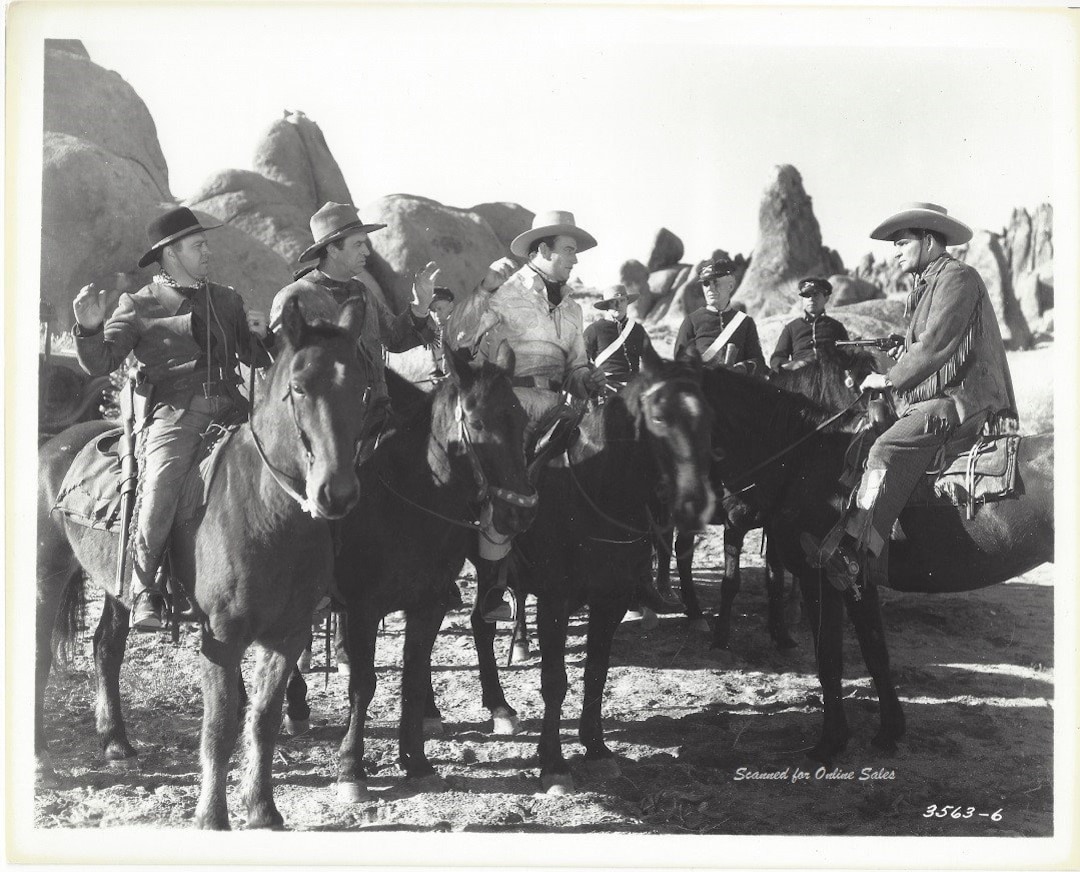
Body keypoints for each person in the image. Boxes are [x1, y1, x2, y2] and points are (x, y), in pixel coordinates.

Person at [72, 207, 271, 630]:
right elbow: (103, 360)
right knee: (160, 485)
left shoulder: (227, 298)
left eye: (205, 243)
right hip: (174, 414)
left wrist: (261, 335)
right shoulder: (138, 304)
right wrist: (89, 328)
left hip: (233, 406)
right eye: (198, 245)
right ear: (171, 253)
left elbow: (254, 356)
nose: (208, 251)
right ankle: (146, 588)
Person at [805, 202, 1018, 587]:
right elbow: (930, 349)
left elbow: (936, 344)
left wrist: (888, 380)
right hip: (943, 395)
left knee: (886, 450)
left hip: (964, 400)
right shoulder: (930, 284)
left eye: (903, 243)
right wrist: (896, 359)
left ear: (930, 240)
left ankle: (857, 552)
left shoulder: (957, 278)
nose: (896, 251)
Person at [450, 210, 607, 620]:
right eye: (569, 250)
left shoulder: (573, 307)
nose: (575, 260)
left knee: (604, 464)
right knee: (505, 486)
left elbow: (575, 363)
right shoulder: (503, 292)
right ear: (543, 250)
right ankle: (492, 592)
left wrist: (587, 376)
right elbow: (460, 340)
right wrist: (482, 291)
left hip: (561, 409)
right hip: (512, 408)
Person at [269, 202, 438, 458]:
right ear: (333, 250)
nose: (367, 252)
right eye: (358, 244)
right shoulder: (296, 299)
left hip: (378, 420)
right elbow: (279, 372)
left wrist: (421, 306)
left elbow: (394, 337)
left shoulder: (362, 292)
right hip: (330, 432)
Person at [674, 258, 766, 375]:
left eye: (716, 283)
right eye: (706, 283)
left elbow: (758, 361)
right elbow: (679, 362)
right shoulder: (691, 321)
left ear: (730, 285)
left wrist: (742, 368)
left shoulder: (745, 322)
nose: (711, 289)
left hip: (737, 386)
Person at [769, 277, 850, 371]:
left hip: (830, 376)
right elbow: (777, 359)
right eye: (806, 295)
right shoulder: (791, 328)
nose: (811, 299)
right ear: (802, 300)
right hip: (800, 379)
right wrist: (794, 365)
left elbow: (847, 355)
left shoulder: (836, 327)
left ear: (826, 298)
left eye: (816, 294)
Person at [584, 284, 649, 389]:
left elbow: (650, 358)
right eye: (613, 302)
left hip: (634, 387)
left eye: (622, 300)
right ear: (606, 305)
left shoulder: (637, 329)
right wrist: (597, 378)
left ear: (627, 302)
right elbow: (581, 360)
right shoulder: (594, 329)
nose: (618, 305)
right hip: (606, 386)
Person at [428, 286, 455, 378]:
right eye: (432, 311)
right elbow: (436, 371)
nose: (436, 314)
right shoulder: (433, 338)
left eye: (439, 309)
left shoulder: (463, 327)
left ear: (451, 307)